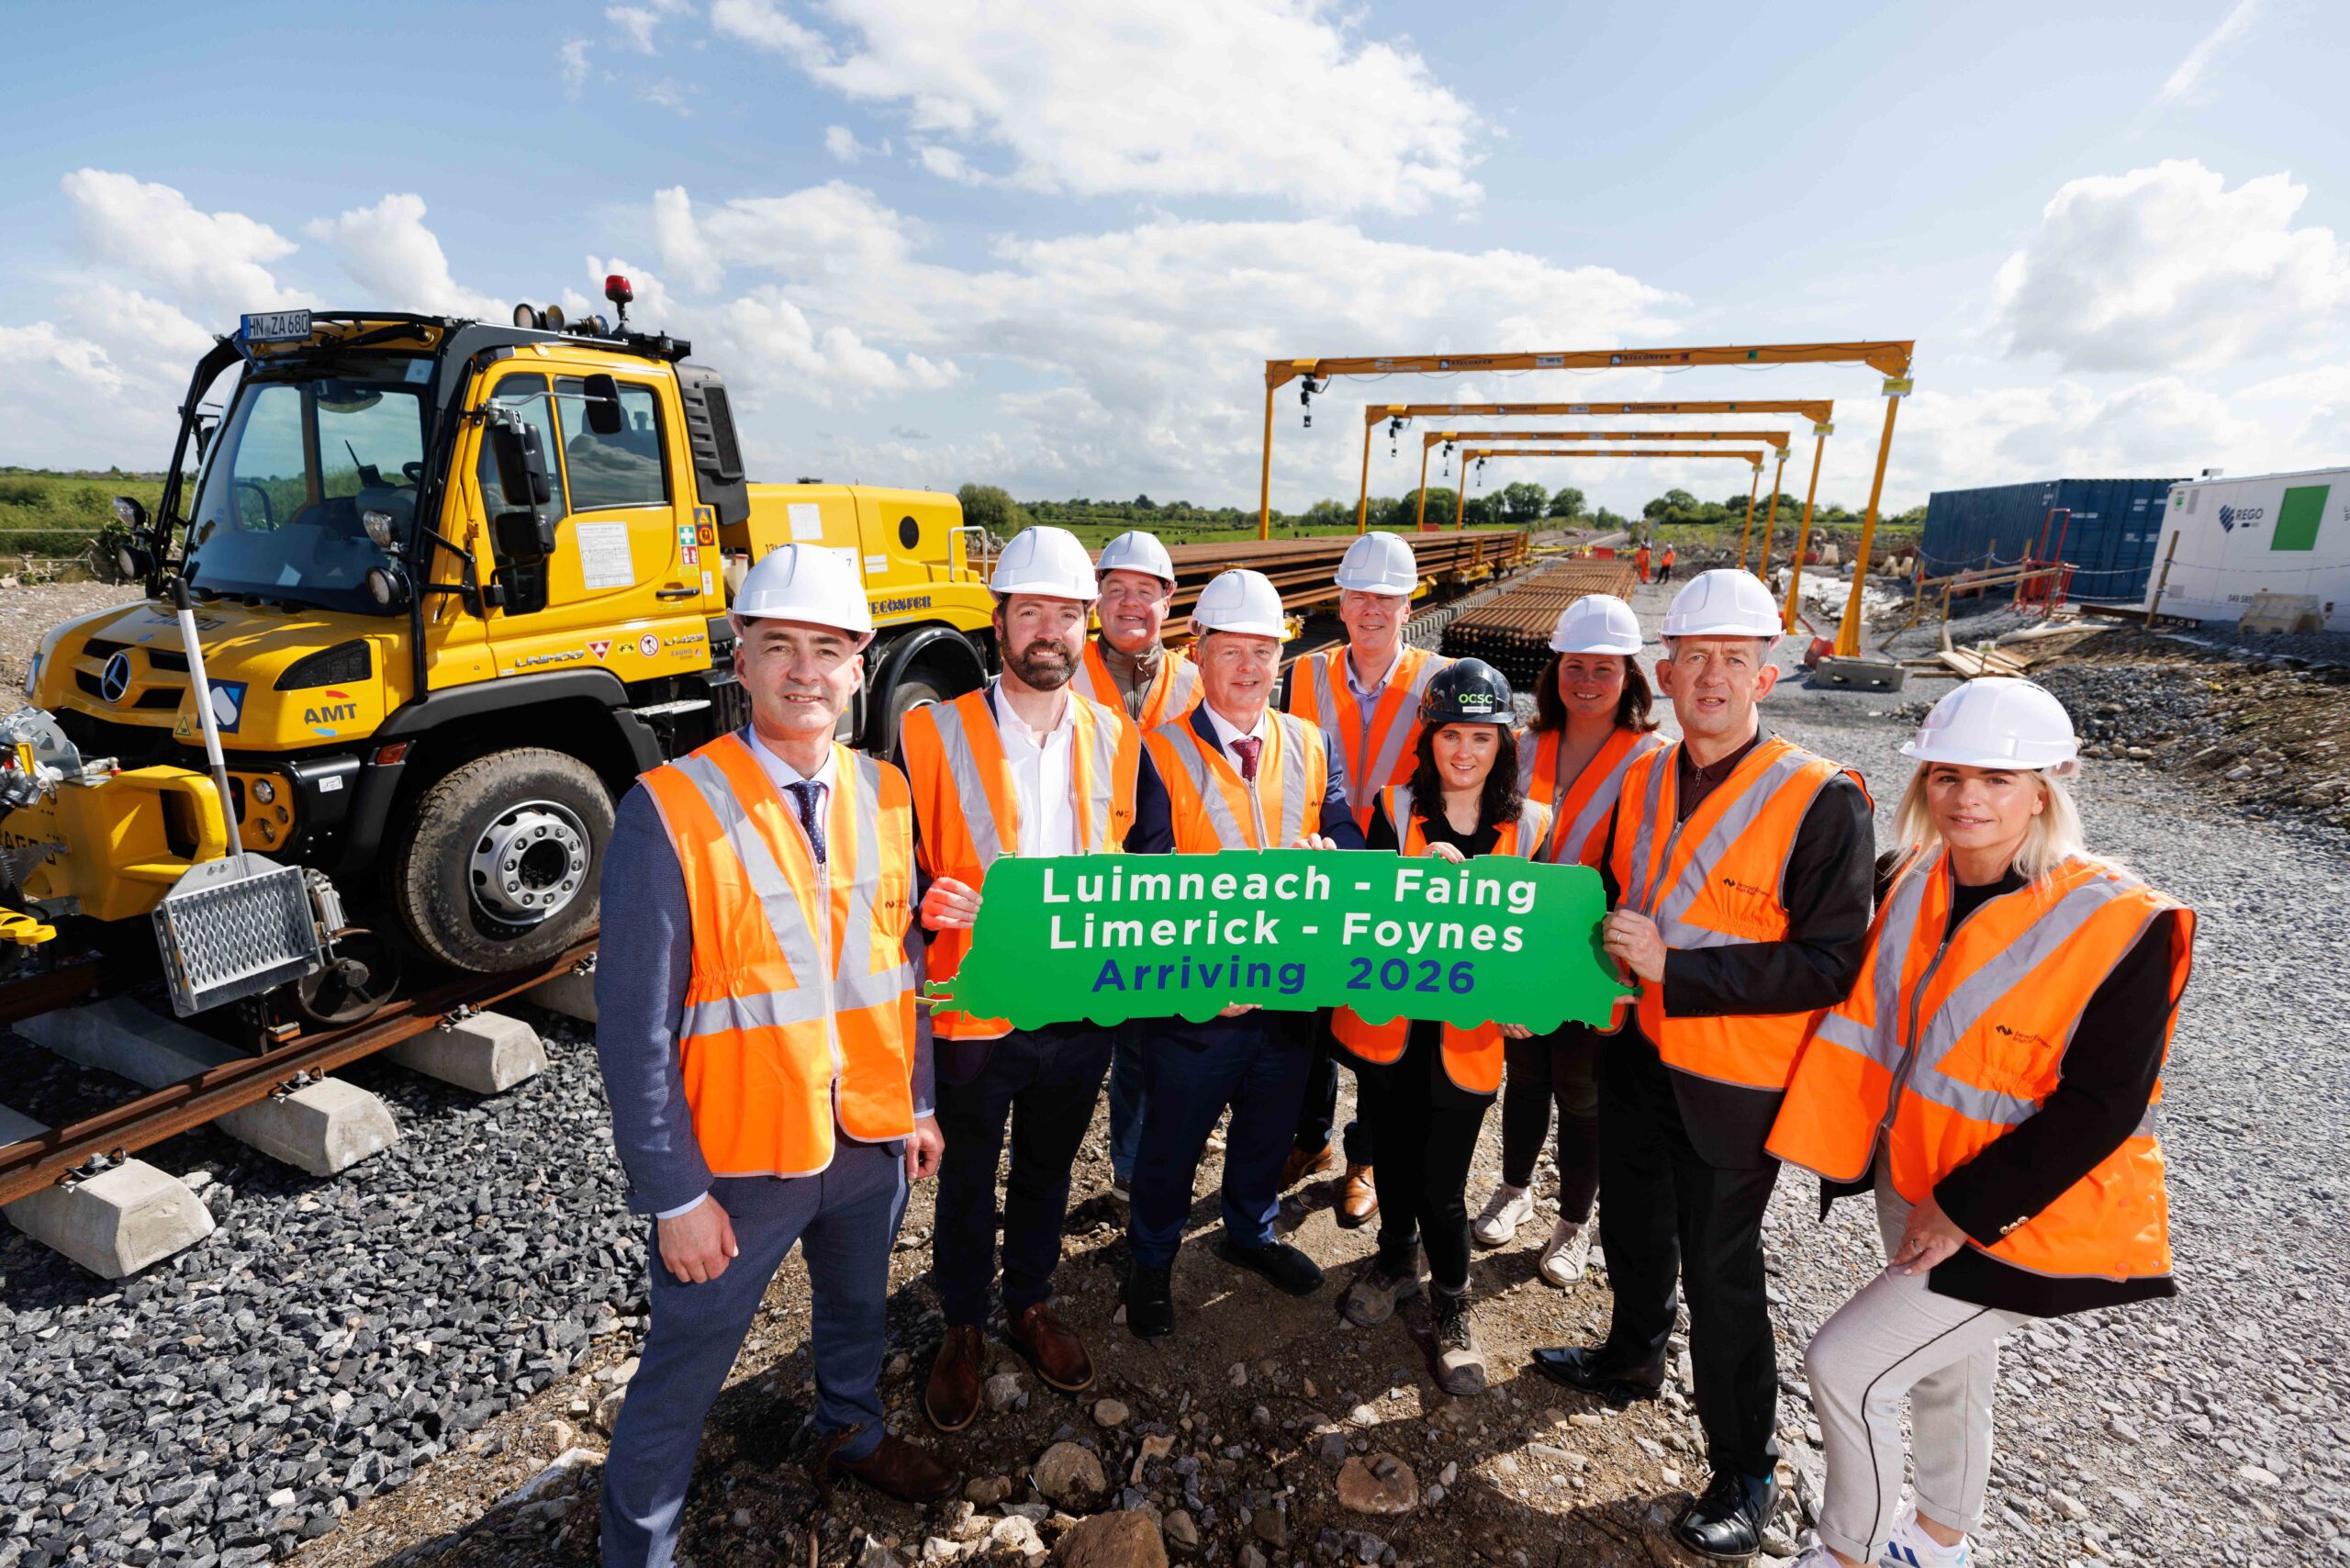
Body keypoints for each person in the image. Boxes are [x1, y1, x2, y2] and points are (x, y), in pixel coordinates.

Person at [1768, 679, 2193, 1568]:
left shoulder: (2119, 921)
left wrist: (1963, 1209)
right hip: (1914, 1180)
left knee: (1844, 1367)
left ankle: (1846, 1551)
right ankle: (1939, 1540)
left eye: (1998, 780)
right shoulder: (1910, 879)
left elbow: (2104, 1104)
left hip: (2019, 1214)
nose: (1968, 798)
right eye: (1950, 774)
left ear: (2045, 789)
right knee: (1945, 1369)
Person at [595, 543, 954, 1567]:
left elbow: (901, 966)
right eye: (778, 645)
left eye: (828, 648)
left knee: (854, 1313)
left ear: (860, 666)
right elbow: (633, 1028)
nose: (805, 670)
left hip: (868, 1139)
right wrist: (673, 1194)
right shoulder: (668, 807)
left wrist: (918, 1102)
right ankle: (639, 1551)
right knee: (683, 1370)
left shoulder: (886, 793)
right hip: (738, 1165)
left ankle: (852, 1428)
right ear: (740, 661)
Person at [1528, 569, 1874, 1562]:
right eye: (1695, 660)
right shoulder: (1643, 772)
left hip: (1734, 1085)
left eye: (1733, 660)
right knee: (1635, 1225)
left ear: (1766, 672)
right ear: (1665, 673)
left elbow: (1829, 959)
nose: (1712, 679)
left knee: (1722, 1278)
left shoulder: (1822, 800)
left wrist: (1677, 968)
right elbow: (1595, 893)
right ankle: (1632, 1353)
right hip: (1638, 1052)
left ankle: (1744, 1466)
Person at [901, 527, 1140, 1432]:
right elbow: (898, 874)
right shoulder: (929, 732)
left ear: (1088, 628)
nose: (1049, 630)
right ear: (998, 622)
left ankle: (1028, 1302)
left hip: (1077, 1009)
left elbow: (1141, 872)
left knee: (1045, 1169)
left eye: (1066, 614)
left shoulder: (1117, 737)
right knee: (967, 1178)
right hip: (973, 1010)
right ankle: (963, 1323)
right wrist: (930, 899)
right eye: (1029, 610)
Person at [1123, 568, 1365, 1338]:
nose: (1253, 668)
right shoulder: (1157, 753)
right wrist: (1201, 975)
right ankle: (1152, 1263)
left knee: (1268, 1128)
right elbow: (1148, 885)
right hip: (1202, 1005)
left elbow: (1351, 843)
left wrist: (1335, 853)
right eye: (1234, 651)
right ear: (1199, 654)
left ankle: (1250, 1233)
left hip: (1290, 995)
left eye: (1266, 652)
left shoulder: (1309, 742)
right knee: (1172, 1141)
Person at [1333, 660, 1548, 1397]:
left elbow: (1544, 938)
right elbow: (1352, 910)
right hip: (1392, 1032)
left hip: (1467, 1041)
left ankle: (1452, 1302)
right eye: (1450, 734)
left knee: (1445, 1185)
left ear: (1503, 744)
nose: (1464, 752)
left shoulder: (1531, 825)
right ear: (1430, 740)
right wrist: (1407, 876)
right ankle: (1395, 1260)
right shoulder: (1394, 811)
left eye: (1481, 738)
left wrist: (1529, 999)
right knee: (1391, 1157)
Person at [1472, 595, 1663, 1287]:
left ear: (1629, 676)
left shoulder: (1653, 759)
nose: (1586, 680)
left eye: (1603, 669)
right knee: (1524, 1077)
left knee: (1583, 1094)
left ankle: (1575, 1224)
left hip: (1596, 954)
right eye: (1573, 665)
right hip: (1522, 946)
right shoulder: (1523, 747)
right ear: (1554, 670)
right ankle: (1515, 1191)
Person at [1282, 532, 1451, 1224]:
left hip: (1397, 877)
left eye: (1387, 596)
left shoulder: (1443, 677)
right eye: (1360, 595)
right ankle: (1311, 1140)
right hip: (1317, 869)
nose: (1373, 609)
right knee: (1309, 1016)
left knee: (1382, 1027)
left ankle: (1365, 1157)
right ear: (1341, 602)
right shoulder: (1303, 675)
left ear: (1408, 603)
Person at [1072, 529, 1203, 1204]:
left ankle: (1149, 1171)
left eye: (1144, 592)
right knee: (1105, 1047)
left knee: (1159, 1042)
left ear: (1168, 600)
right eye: (1115, 590)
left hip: (1174, 887)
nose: (1129, 605)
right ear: (1096, 599)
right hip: (1091, 890)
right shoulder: (1065, 674)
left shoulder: (1194, 681)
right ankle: (1119, 1172)